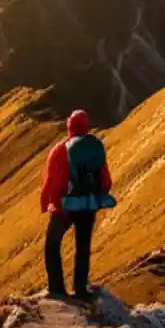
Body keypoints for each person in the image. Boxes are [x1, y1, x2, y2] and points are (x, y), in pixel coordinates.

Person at [40, 109, 116, 300]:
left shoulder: (60, 150)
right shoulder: (95, 148)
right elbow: (106, 180)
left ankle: (57, 289)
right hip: (88, 205)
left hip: (64, 207)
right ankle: (80, 289)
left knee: (52, 244)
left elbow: (51, 181)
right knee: (82, 246)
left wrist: (46, 203)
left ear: (69, 126)